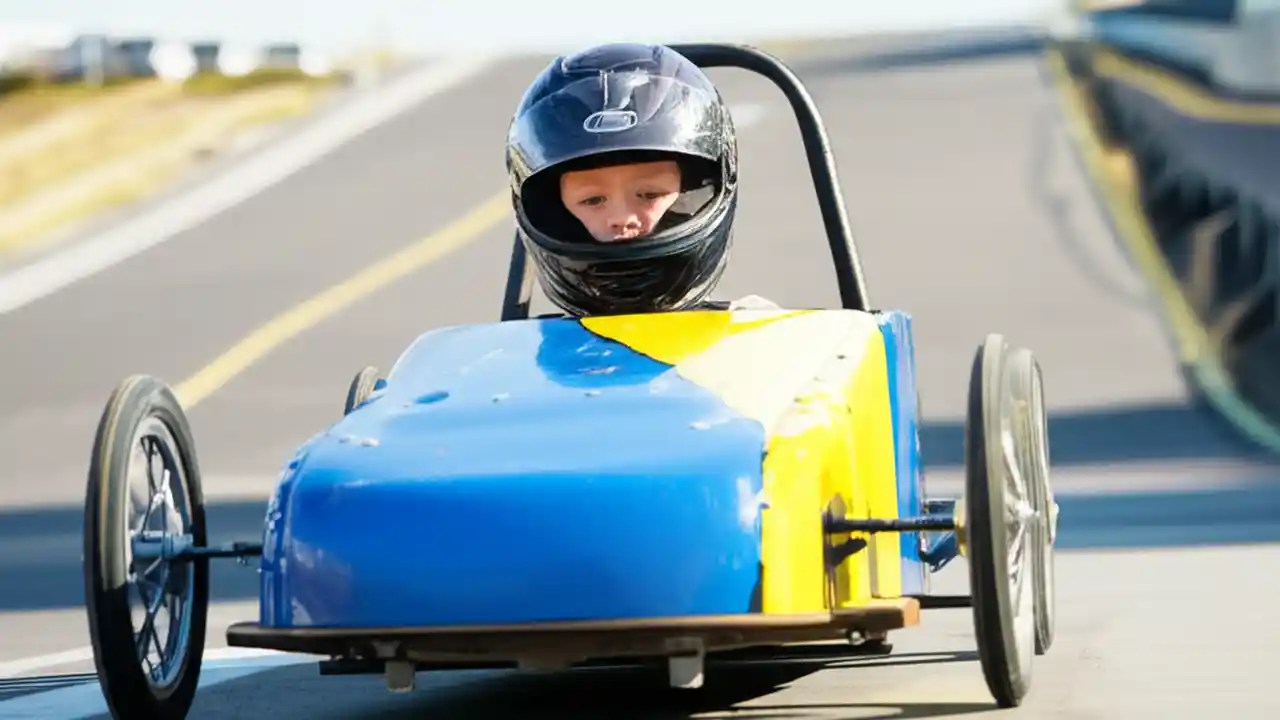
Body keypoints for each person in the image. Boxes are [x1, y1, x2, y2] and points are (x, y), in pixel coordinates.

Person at [505, 42, 779, 317]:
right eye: (593, 200)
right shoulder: (514, 351)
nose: (622, 219)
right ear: (555, 206)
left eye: (649, 195)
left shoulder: (766, 331)